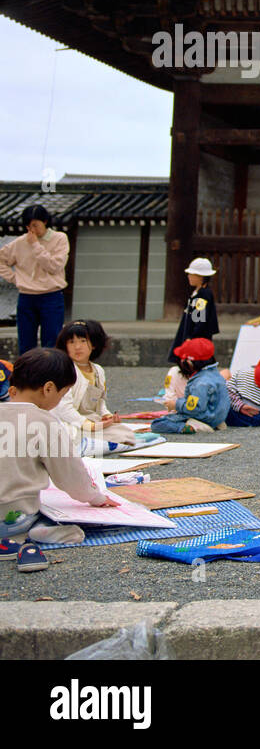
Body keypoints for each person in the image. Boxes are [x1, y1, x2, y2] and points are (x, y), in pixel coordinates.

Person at [0, 349, 121, 564]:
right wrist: (95, 497)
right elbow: (70, 475)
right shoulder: (44, 422)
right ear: (48, 389)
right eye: (62, 394)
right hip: (16, 517)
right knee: (40, 516)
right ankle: (33, 534)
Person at [51, 319, 135, 448]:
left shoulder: (98, 371)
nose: (77, 347)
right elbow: (63, 408)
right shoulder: (64, 370)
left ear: (94, 344)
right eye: (71, 342)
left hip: (90, 420)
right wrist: (89, 425)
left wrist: (106, 416)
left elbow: (100, 402)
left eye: (83, 341)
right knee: (68, 435)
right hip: (68, 422)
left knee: (125, 433)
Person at [0, 205, 70, 354]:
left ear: (45, 221)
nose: (32, 230)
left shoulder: (59, 238)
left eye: (35, 225)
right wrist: (15, 278)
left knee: (52, 342)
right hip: (27, 296)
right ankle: (27, 375)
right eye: (28, 226)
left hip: (51, 295)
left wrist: (35, 245)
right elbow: (1, 260)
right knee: (26, 344)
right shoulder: (19, 243)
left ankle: (51, 374)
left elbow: (54, 266)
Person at [152, 338, 230, 433]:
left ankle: (196, 426)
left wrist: (176, 405)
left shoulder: (200, 383)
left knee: (158, 424)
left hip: (205, 418)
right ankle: (215, 423)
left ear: (189, 363)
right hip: (217, 415)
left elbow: (193, 408)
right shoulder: (215, 374)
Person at [171, 257, 220, 356]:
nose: (189, 276)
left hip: (197, 338)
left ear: (200, 276)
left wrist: (191, 336)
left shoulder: (203, 295)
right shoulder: (197, 292)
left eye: (191, 274)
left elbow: (199, 318)